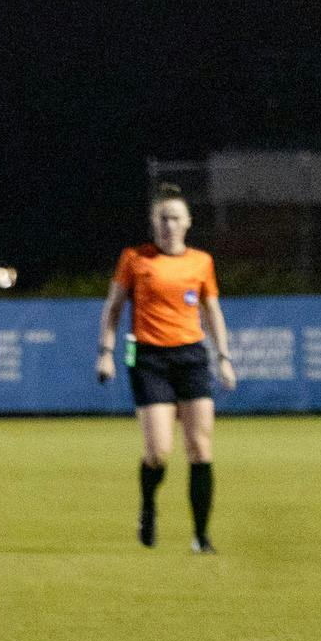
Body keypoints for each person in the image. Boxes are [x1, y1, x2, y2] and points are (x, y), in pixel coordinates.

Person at [94, 183, 235, 552]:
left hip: (191, 357)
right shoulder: (135, 259)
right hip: (149, 359)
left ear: (187, 222)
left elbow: (212, 311)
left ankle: (201, 537)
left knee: (200, 449)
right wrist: (107, 352)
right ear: (154, 223)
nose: (169, 225)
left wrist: (223, 358)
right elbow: (112, 308)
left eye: (175, 218)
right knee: (158, 452)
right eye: (162, 218)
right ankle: (148, 505)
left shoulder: (201, 262)